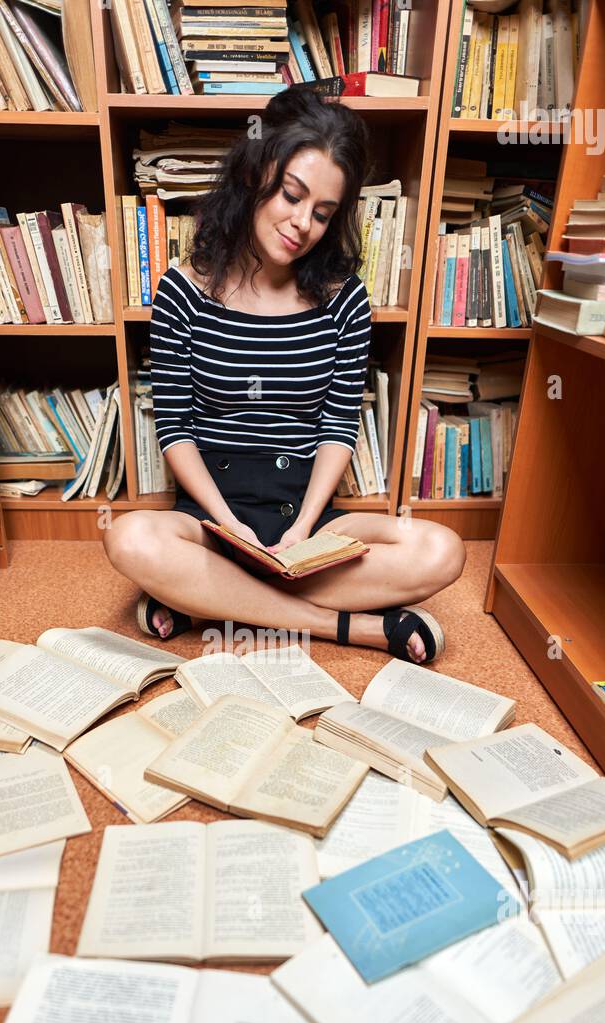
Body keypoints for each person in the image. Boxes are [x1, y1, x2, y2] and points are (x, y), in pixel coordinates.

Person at [104, 88, 465, 662]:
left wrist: (300, 536)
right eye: (291, 196)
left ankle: (207, 600)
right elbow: (173, 427)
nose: (302, 224)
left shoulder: (346, 299)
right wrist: (229, 526)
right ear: (256, 174)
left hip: (308, 524)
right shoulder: (181, 290)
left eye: (323, 213)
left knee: (441, 549)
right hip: (212, 522)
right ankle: (343, 627)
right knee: (129, 537)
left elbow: (338, 427)